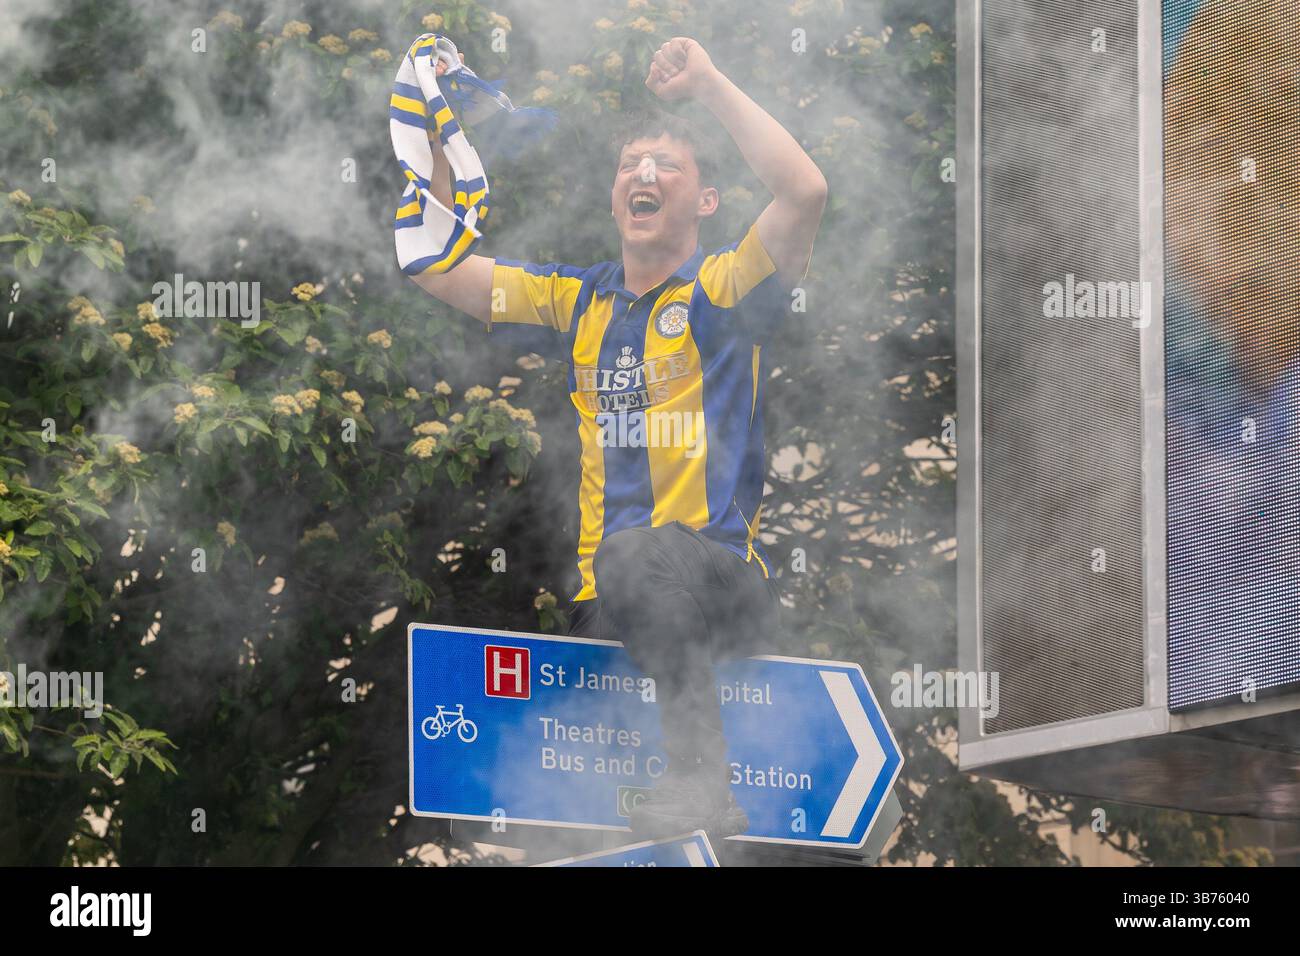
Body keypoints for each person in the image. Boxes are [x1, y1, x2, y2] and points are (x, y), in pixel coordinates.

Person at [410, 37, 827, 837]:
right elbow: (437, 266)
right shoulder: (578, 302)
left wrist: (707, 83)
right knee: (570, 819)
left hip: (719, 585)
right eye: (631, 164)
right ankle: (679, 813)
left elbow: (805, 189)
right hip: (614, 604)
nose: (644, 175)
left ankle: (706, 781)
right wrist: (434, 133)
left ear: (706, 202)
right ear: (613, 200)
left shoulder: (723, 287)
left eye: (667, 166)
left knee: (635, 550)